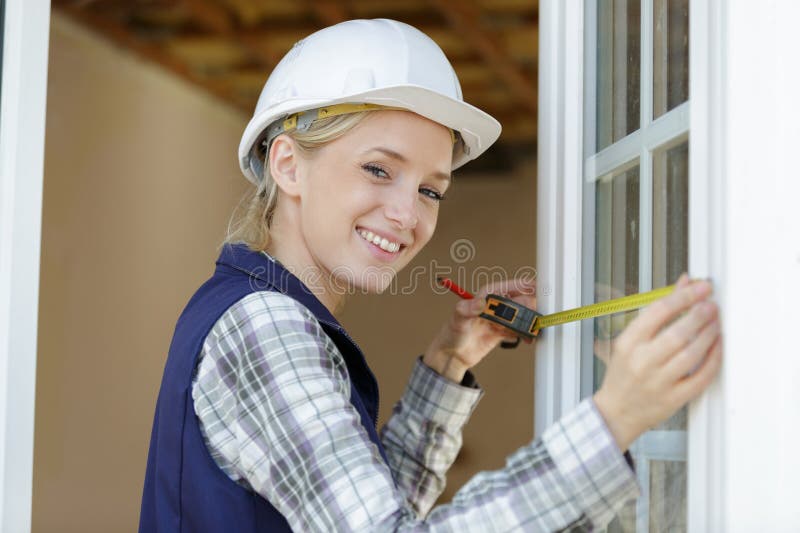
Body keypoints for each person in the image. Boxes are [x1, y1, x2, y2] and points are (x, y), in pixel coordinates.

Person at [139, 19, 722, 532]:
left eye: (430, 191)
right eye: (378, 169)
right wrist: (614, 421)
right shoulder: (266, 326)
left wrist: (449, 363)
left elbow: (368, 512)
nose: (407, 214)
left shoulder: (249, 305)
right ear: (289, 165)